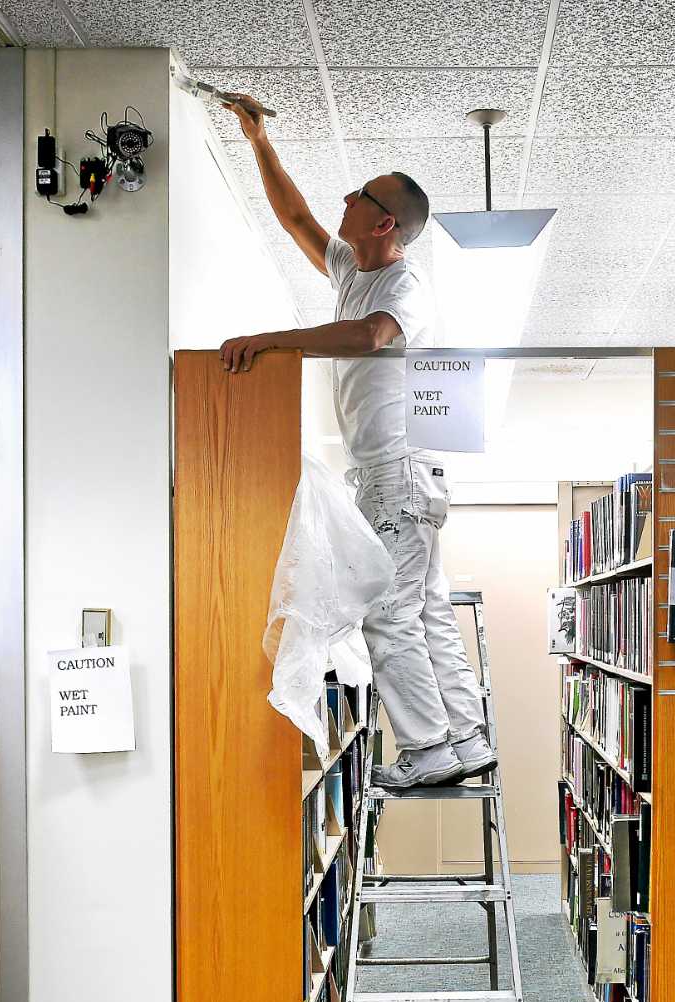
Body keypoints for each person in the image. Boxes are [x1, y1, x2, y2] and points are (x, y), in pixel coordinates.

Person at [217, 91, 492, 791]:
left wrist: (273, 339)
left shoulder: (404, 284)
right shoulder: (351, 270)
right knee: (425, 608)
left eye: (361, 193)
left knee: (385, 610)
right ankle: (464, 735)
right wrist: (258, 143)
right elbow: (297, 218)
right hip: (399, 474)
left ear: (385, 220)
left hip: (396, 473)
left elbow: (371, 337)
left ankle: (429, 749)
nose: (346, 196)